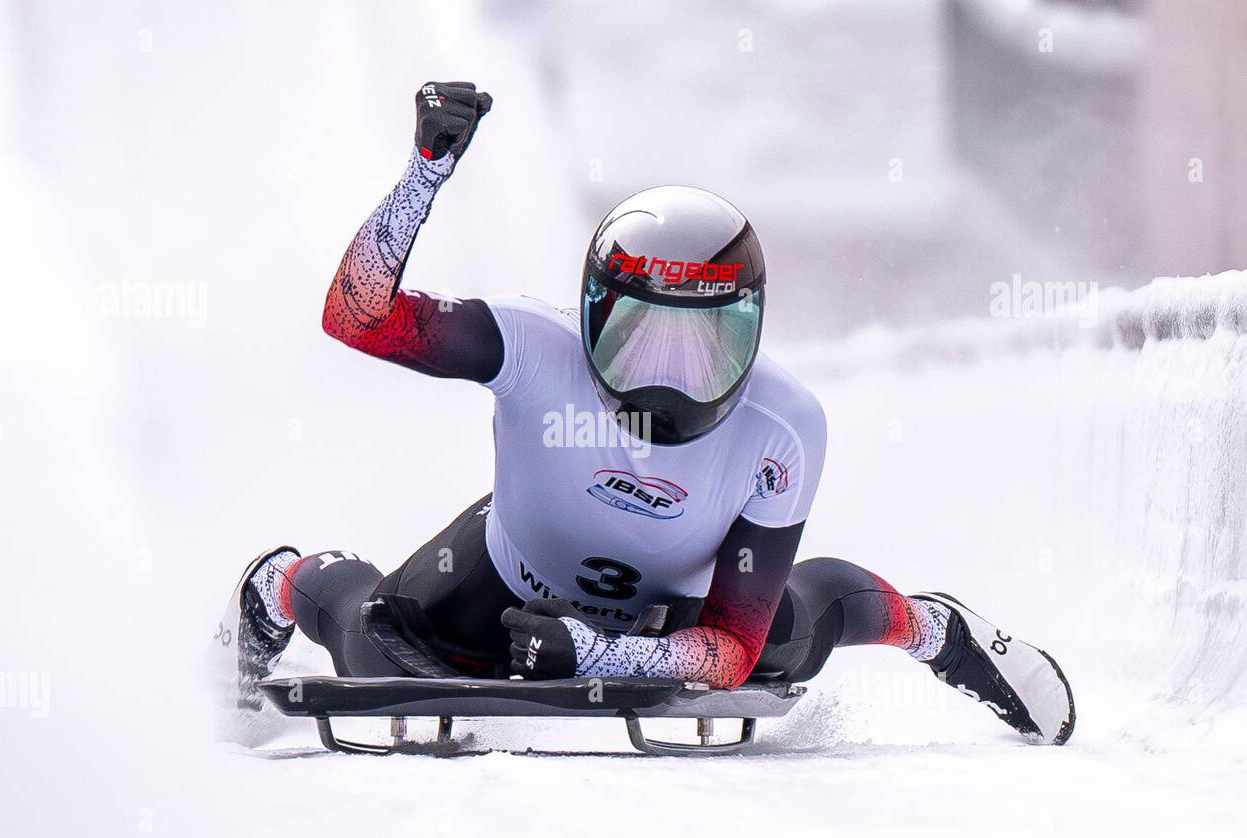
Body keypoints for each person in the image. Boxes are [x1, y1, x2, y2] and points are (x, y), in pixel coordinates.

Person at [213, 81, 1074, 746]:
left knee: (790, 636)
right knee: (378, 648)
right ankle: (279, 582)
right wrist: (423, 173)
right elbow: (358, 316)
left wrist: (596, 654)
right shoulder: (530, 344)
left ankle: (941, 632)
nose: (665, 380)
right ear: (589, 315)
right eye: (640, 338)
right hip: (506, 577)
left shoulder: (784, 427)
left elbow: (732, 650)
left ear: (751, 333)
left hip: (680, 612)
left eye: (699, 346)